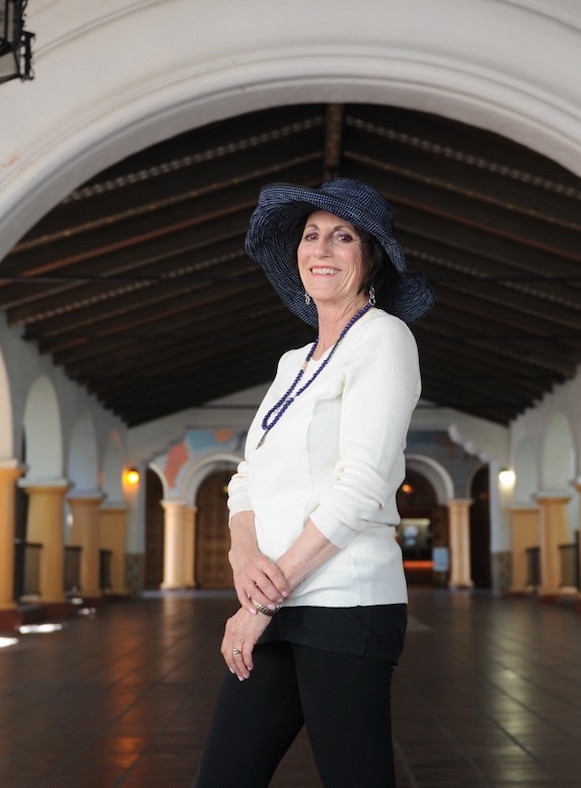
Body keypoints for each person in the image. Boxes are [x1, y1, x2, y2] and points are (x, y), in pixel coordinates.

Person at [194, 178, 434, 788]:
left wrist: (261, 601)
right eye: (311, 235)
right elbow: (246, 478)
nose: (321, 248)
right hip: (278, 603)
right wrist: (243, 556)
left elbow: (360, 486)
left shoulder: (383, 339)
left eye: (342, 236)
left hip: (345, 605)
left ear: (369, 254)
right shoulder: (292, 364)